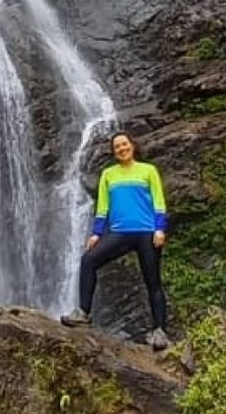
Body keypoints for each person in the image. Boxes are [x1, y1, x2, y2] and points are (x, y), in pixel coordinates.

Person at [60, 132, 171, 349]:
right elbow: (103, 207)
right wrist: (96, 233)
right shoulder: (108, 175)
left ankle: (160, 330)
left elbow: (159, 202)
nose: (121, 148)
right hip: (119, 233)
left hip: (146, 233)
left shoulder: (148, 170)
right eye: (117, 147)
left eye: (124, 144)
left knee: (153, 281)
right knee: (89, 260)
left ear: (132, 146)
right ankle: (83, 312)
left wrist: (160, 229)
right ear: (114, 152)